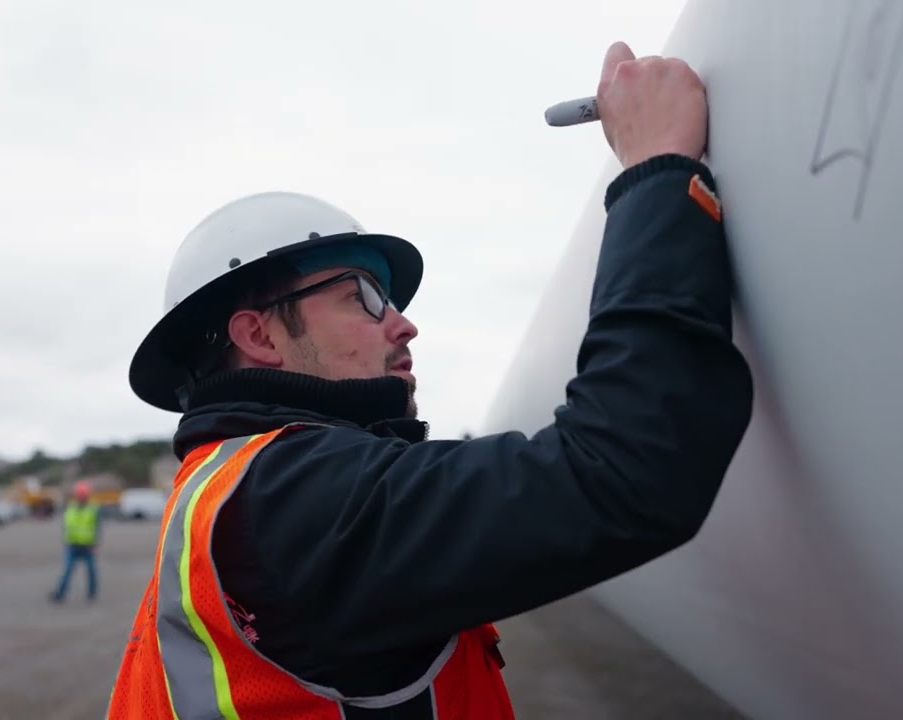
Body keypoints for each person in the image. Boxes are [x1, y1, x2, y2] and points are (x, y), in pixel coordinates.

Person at [106, 40, 753, 719]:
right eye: (362, 295)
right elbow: (624, 467)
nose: (403, 326)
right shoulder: (293, 500)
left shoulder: (232, 493)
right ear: (259, 335)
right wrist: (656, 173)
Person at [49, 480, 100, 604]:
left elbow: (97, 528)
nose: (81, 496)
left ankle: (92, 593)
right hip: (72, 545)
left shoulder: (93, 509)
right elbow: (66, 526)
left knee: (91, 571)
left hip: (87, 546)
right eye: (80, 494)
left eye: (83, 494)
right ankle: (60, 594)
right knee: (67, 571)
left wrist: (95, 544)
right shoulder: (70, 508)